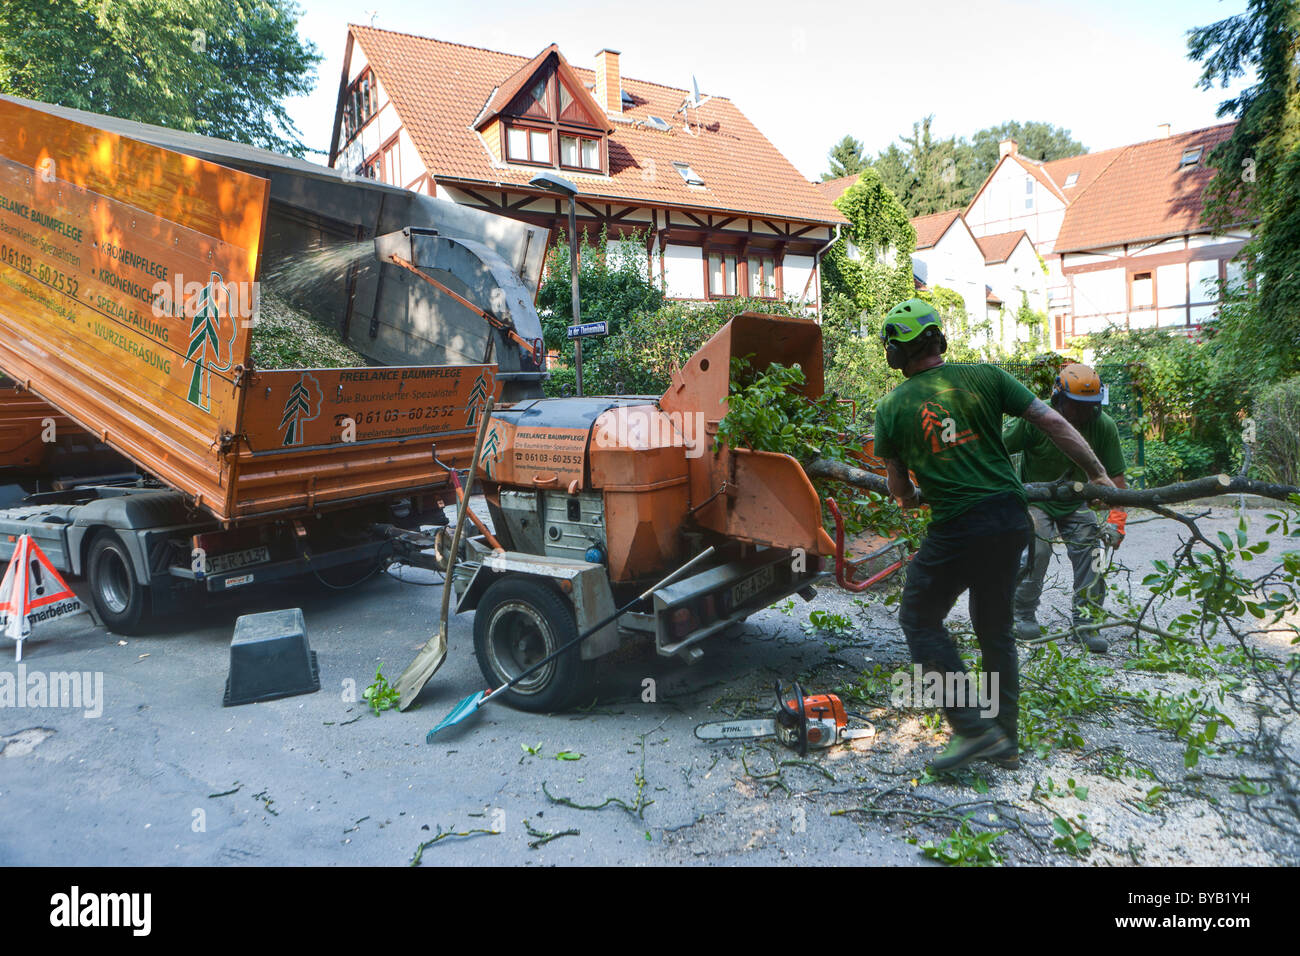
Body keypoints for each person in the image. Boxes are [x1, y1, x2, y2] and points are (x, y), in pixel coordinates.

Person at [872, 299, 1116, 774]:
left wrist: (914, 491)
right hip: (1010, 520)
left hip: (960, 527)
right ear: (939, 339)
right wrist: (1098, 473)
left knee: (920, 619)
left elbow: (900, 490)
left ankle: (971, 728)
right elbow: (1052, 421)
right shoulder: (987, 376)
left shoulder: (891, 408)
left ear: (896, 353)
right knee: (994, 629)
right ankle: (1005, 739)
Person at [1003, 363, 1128, 653]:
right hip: (1037, 500)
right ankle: (1022, 614)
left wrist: (1116, 521)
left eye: (1090, 406)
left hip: (1076, 502)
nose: (1084, 413)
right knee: (1038, 550)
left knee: (1093, 553)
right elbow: (997, 448)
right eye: (1077, 406)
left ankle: (1086, 621)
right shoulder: (1034, 417)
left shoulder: (1103, 426)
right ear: (1059, 399)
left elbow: (1118, 480)